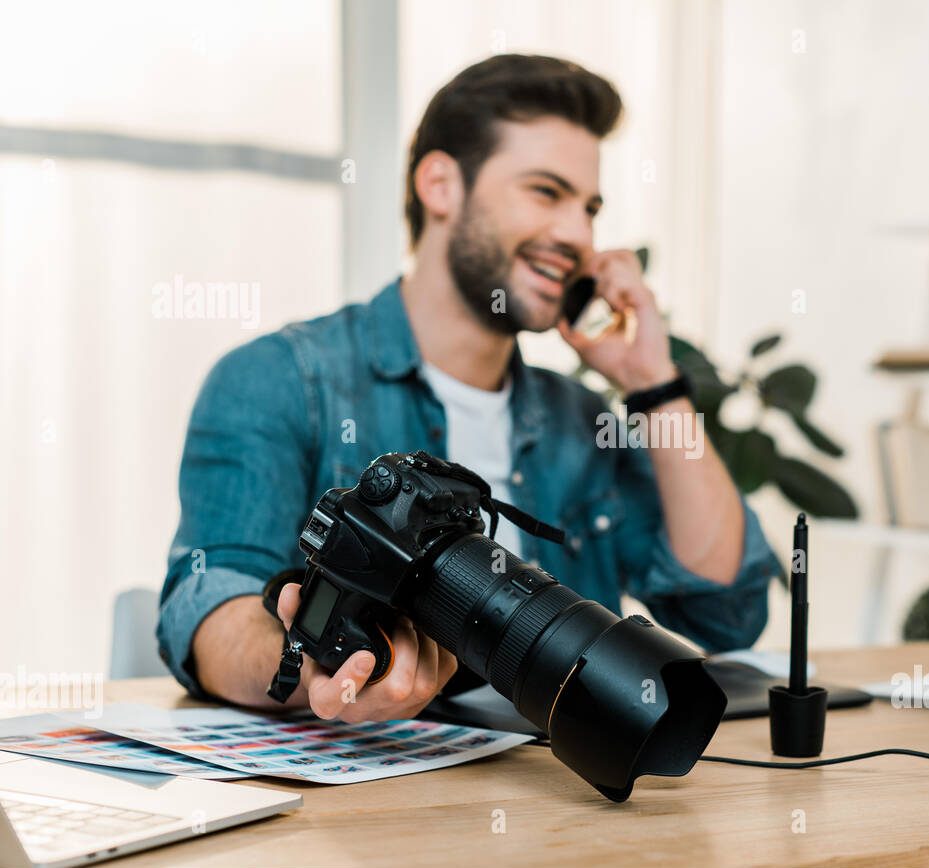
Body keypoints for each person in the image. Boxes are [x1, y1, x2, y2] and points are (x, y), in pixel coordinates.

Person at [157, 53, 781, 722]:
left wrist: (654, 385)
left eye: (589, 207)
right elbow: (205, 603)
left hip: (562, 794)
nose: (577, 235)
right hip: (374, 800)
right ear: (441, 184)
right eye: (546, 192)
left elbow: (725, 611)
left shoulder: (579, 418)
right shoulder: (280, 379)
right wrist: (320, 666)